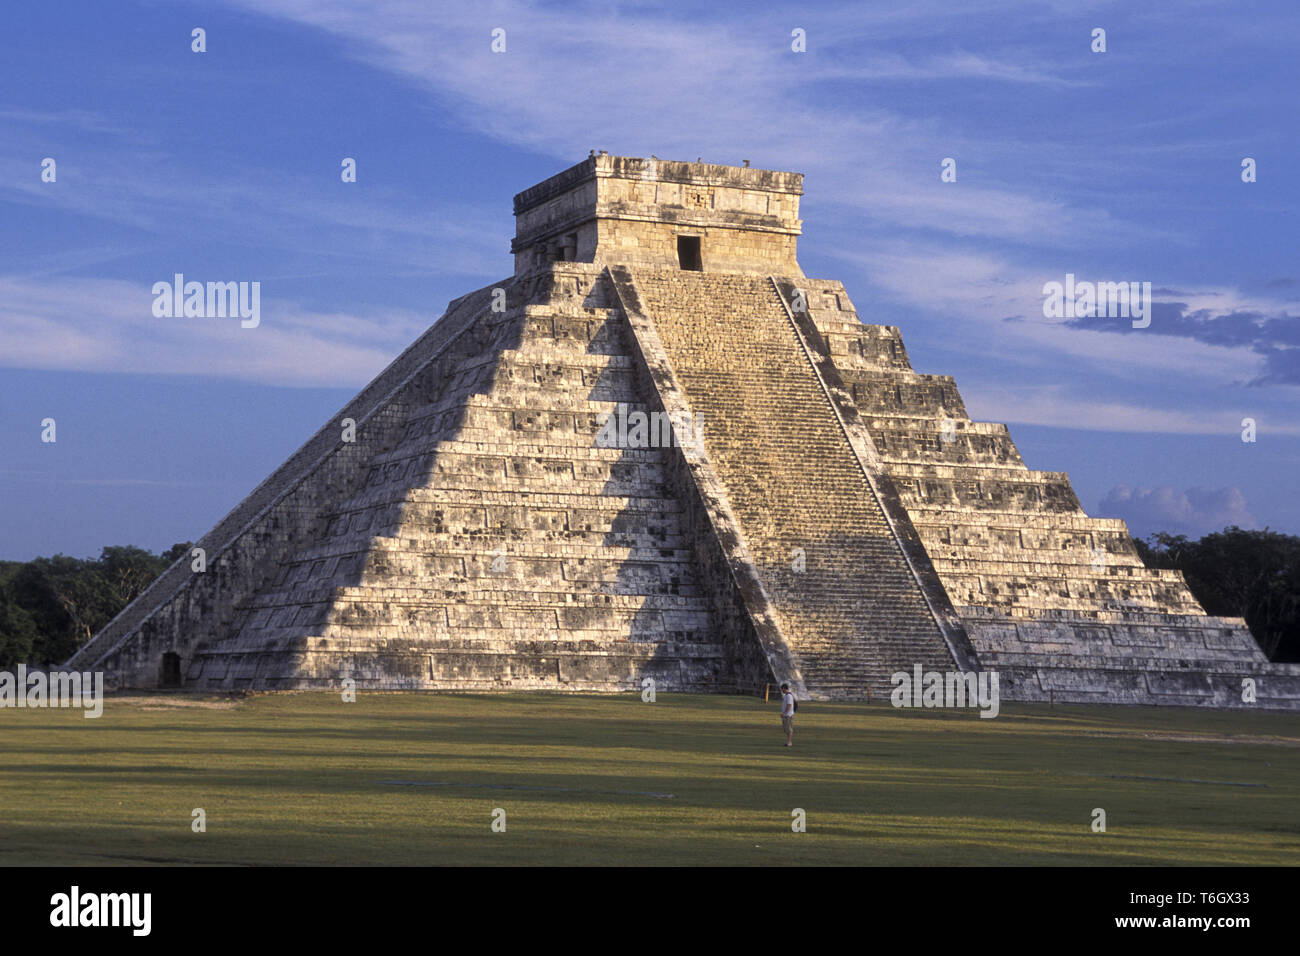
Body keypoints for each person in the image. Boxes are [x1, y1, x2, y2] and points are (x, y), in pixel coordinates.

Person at [780, 682, 795, 747]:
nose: (782, 691)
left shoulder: (788, 696)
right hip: (786, 715)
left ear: (784, 688)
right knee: (786, 729)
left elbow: (789, 705)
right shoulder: (786, 695)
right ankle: (789, 741)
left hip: (788, 715)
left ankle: (789, 742)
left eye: (782, 689)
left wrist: (784, 713)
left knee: (789, 729)